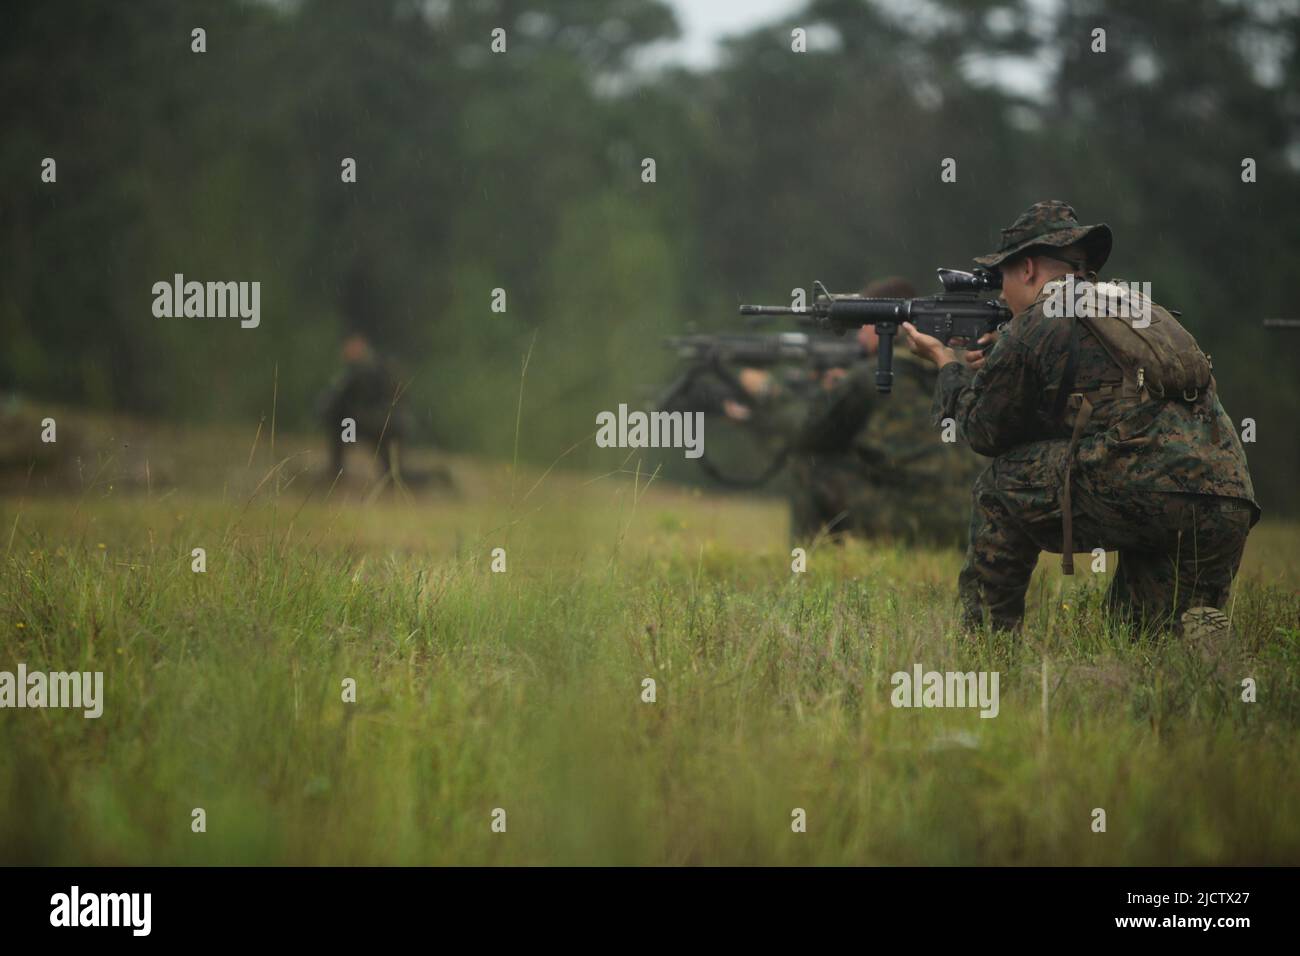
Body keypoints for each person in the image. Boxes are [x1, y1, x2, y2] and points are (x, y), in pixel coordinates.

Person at [903, 200, 1259, 635]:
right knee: (1151, 644)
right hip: (1225, 499)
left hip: (1147, 486)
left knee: (999, 487)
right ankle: (1208, 664)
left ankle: (986, 648)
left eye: (1003, 278)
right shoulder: (1132, 305)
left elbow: (982, 430)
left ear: (1029, 268)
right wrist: (1006, 351)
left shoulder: (1037, 322)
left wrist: (944, 363)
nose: (1000, 293)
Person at [787, 277, 987, 545]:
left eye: (863, 322)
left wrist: (827, 392)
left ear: (882, 322)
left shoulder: (868, 377)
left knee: (809, 465)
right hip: (974, 520)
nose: (858, 334)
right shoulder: (960, 365)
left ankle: (812, 562)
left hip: (914, 523)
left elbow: (808, 437)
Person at [317, 333, 408, 481]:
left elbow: (334, 402)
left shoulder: (358, 371)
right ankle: (338, 470)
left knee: (340, 420)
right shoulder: (383, 367)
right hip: (389, 426)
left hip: (375, 426)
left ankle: (336, 471)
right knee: (394, 475)